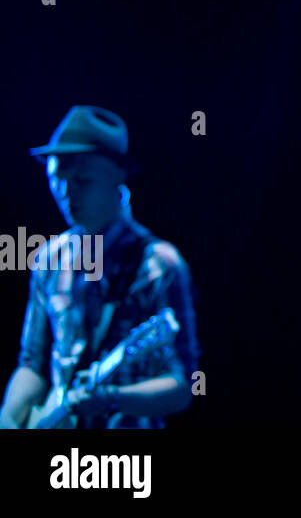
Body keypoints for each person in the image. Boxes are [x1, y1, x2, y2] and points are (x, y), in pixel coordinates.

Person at [0, 106, 200, 428]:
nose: (66, 192)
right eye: (57, 179)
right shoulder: (48, 259)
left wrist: (112, 398)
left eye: (80, 180)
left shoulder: (160, 265)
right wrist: (8, 419)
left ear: (117, 176)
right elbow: (32, 363)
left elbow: (183, 385)